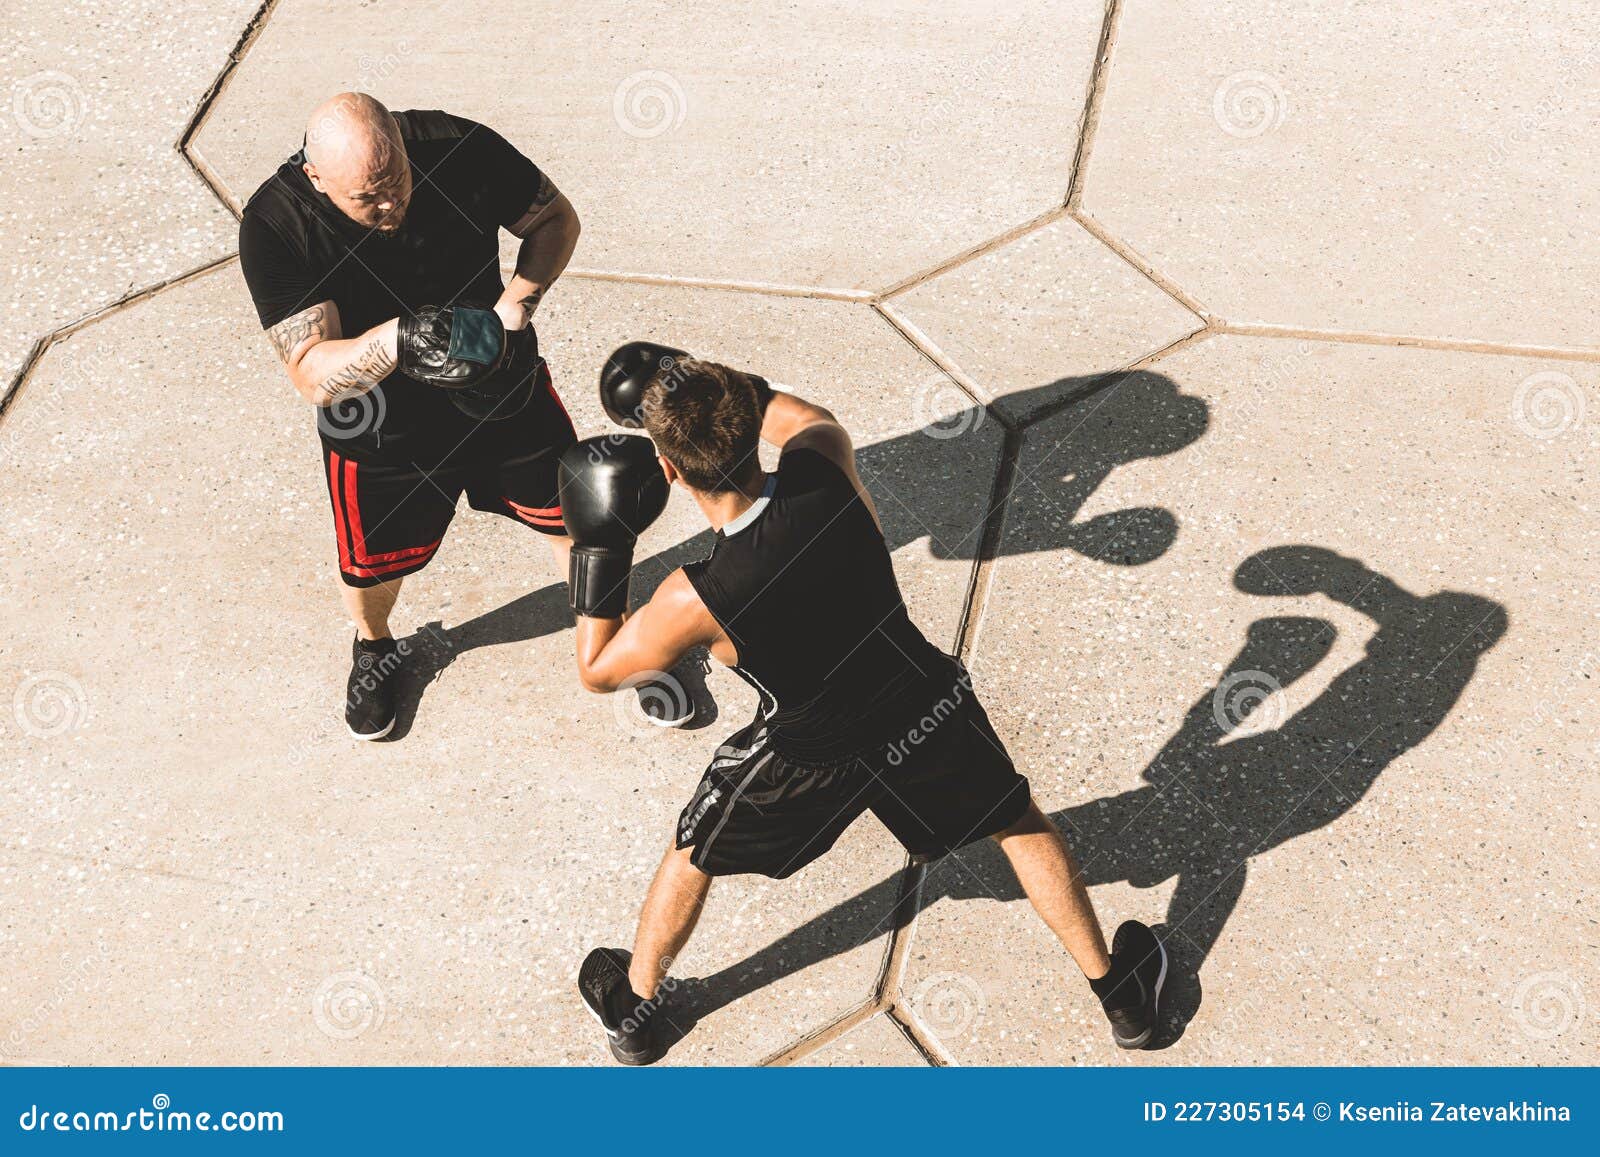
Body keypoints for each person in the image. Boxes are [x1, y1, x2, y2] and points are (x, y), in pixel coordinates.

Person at [561, 342, 1167, 1064]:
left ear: (664, 468)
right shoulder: (825, 464)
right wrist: (701, 380)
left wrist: (598, 542)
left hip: (808, 749)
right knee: (1017, 822)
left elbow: (598, 669)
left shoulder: (691, 598)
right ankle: (1122, 997)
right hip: (920, 703)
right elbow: (803, 415)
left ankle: (635, 1012)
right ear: (748, 423)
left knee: (695, 847)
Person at [238, 92, 582, 739]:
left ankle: (612, 628)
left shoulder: (459, 145)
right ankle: (373, 647)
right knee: (373, 566)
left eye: (397, 180)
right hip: (380, 428)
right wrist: (399, 339)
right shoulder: (276, 223)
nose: (392, 203)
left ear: (398, 137)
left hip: (498, 385)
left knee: (583, 512)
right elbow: (310, 371)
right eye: (369, 198)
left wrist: (509, 318)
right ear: (317, 180)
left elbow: (557, 220)